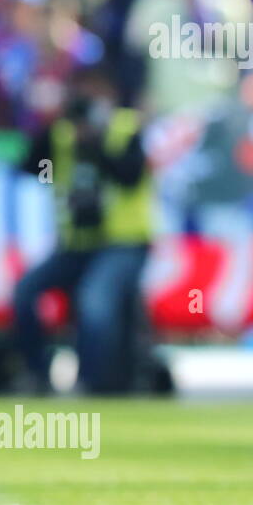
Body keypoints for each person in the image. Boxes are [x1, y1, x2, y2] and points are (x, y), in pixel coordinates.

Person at [14, 64, 153, 394]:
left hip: (123, 243)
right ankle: (37, 373)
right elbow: (30, 168)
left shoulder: (126, 128)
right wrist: (46, 121)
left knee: (95, 300)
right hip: (76, 244)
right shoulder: (62, 132)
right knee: (26, 291)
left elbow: (129, 179)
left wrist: (99, 142)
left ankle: (93, 382)